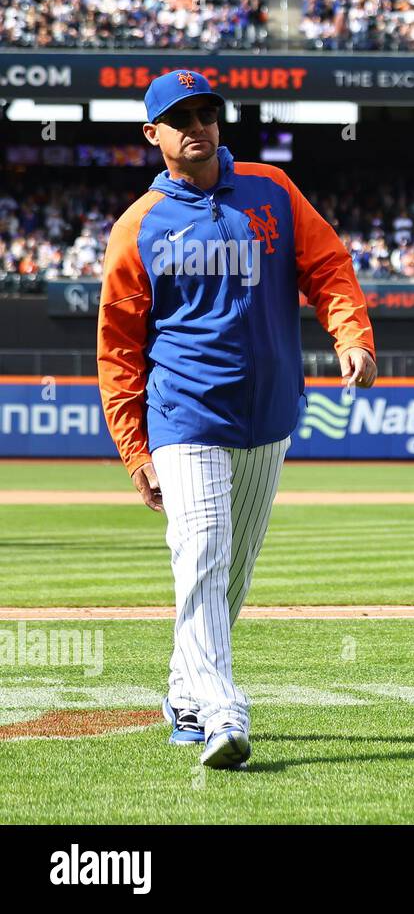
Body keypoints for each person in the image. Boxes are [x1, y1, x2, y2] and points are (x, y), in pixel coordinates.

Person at [96, 70, 377, 769]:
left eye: (207, 113)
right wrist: (134, 448)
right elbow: (118, 350)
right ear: (151, 133)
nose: (197, 125)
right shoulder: (137, 227)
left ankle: (183, 692)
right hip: (185, 413)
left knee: (230, 574)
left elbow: (329, 267)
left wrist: (352, 336)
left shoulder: (272, 191)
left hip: (270, 415)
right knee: (202, 554)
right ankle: (223, 712)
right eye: (179, 117)